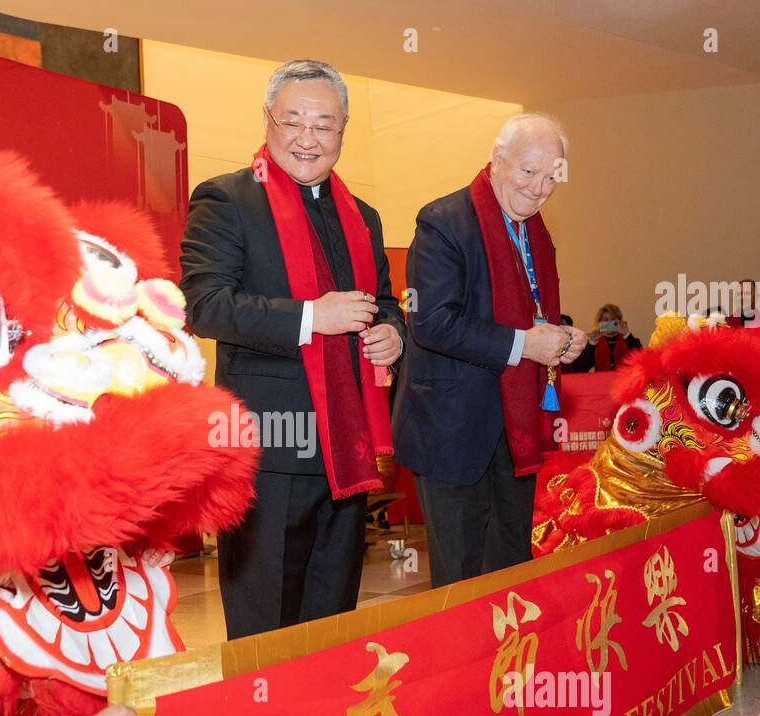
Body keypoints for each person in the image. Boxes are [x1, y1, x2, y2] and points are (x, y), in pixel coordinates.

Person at [180, 60, 406, 639]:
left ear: (343, 130)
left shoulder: (363, 215)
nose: (309, 138)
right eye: (294, 121)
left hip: (346, 444)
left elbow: (382, 300)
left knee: (331, 614)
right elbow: (205, 305)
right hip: (270, 443)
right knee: (265, 619)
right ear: (267, 121)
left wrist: (390, 333)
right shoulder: (227, 199)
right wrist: (313, 317)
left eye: (325, 125)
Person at [391, 113, 587, 589]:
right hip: (454, 431)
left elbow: (524, 309)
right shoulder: (443, 222)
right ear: (497, 161)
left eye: (551, 177)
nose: (540, 189)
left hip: (515, 429)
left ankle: (511, 663)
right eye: (528, 172)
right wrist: (526, 345)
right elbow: (433, 322)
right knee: (461, 582)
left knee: (512, 571)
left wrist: (560, 334)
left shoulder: (535, 232)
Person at [571, 302, 641, 372]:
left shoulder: (628, 340)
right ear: (600, 323)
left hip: (626, 381)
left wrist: (627, 335)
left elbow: (640, 358)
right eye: (605, 320)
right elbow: (580, 368)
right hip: (601, 381)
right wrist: (591, 344)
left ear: (619, 321)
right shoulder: (595, 343)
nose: (609, 323)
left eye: (613, 320)